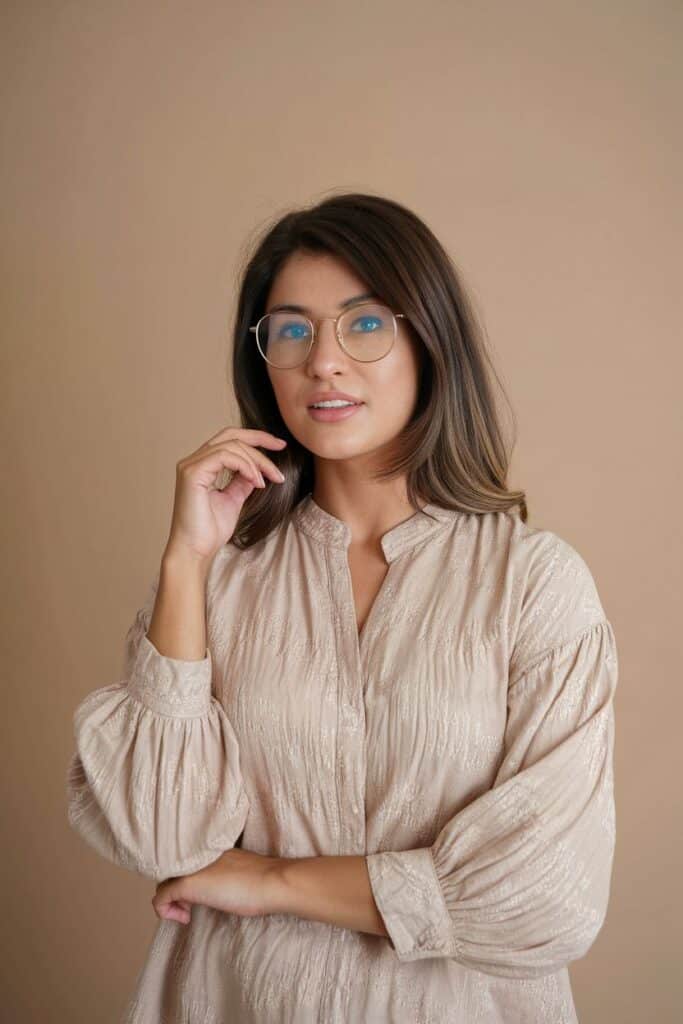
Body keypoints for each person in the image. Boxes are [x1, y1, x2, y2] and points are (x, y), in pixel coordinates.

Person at [66, 192, 618, 1023]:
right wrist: (185, 560)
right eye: (290, 330)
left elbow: (544, 893)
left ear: (429, 341)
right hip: (236, 999)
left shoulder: (532, 585)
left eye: (363, 324)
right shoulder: (219, 579)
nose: (322, 360)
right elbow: (159, 834)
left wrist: (270, 881)